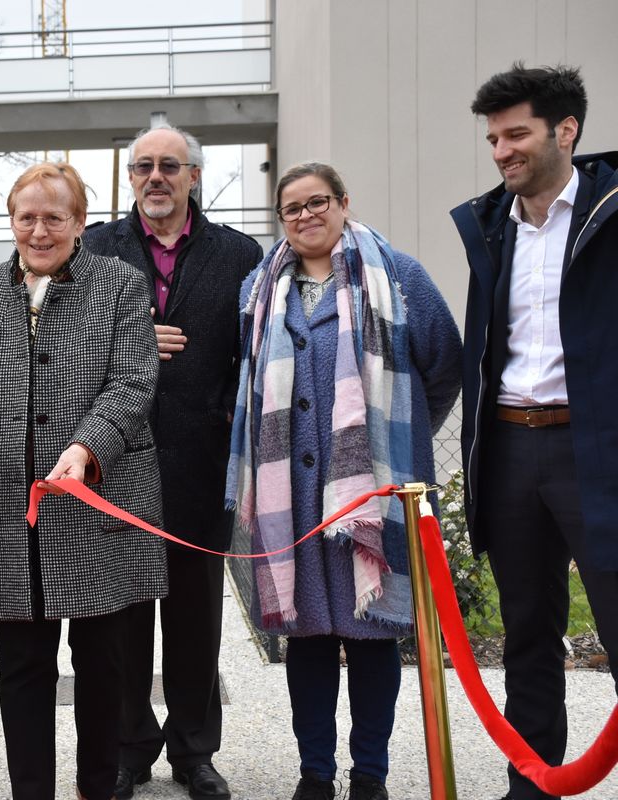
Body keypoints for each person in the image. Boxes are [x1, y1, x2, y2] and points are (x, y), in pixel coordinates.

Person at [0, 161, 166, 800]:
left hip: (96, 505)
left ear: (80, 221)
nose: (39, 231)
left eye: (54, 217)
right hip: (10, 506)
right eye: (26, 217)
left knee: (102, 667)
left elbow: (134, 380)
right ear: (11, 221)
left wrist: (88, 445)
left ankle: (98, 787)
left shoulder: (118, 284)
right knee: (24, 667)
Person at [228, 162, 461, 800]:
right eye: (292, 208)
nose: (306, 216)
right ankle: (315, 772)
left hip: (372, 492)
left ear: (343, 203)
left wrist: (398, 435)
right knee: (307, 635)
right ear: (281, 219)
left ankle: (371, 774)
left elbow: (444, 366)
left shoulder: (400, 278)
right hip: (293, 499)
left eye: (318, 202)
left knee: (370, 632)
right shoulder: (258, 288)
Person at [451, 63, 618, 800]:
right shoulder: (490, 225)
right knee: (527, 632)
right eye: (493, 138)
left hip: (599, 448)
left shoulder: (611, 210)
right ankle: (532, 783)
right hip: (512, 446)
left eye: (516, 134)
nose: (501, 150)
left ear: (566, 130)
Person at [83, 123, 262, 800]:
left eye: (169, 166)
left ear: (193, 176)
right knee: (123, 619)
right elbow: (64, 336)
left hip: (200, 461)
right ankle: (130, 749)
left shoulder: (240, 254)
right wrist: (127, 340)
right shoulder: (95, 247)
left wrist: (224, 412)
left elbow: (254, 352)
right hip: (117, 465)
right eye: (142, 167)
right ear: (129, 178)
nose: (155, 178)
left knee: (195, 622)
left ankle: (194, 751)